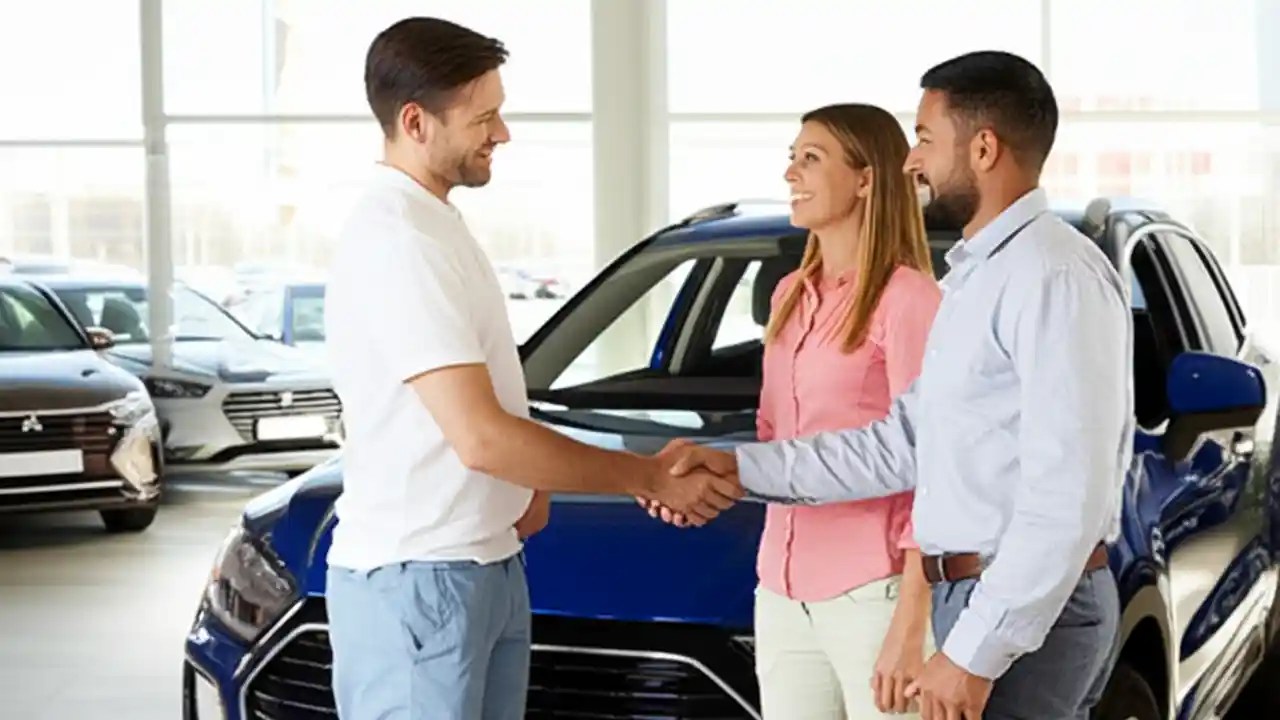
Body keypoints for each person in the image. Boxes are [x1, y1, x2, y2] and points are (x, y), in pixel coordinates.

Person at [656, 50, 1130, 720]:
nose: (912, 162)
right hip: (974, 593)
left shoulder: (1052, 277)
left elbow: (1066, 495)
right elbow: (902, 443)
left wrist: (972, 653)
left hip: (1021, 604)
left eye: (927, 140)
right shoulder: (977, 276)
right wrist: (738, 468)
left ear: (985, 149)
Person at [323, 17, 739, 720]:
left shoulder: (435, 224)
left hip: (480, 567)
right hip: (422, 583)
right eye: (484, 117)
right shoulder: (399, 240)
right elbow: (481, 438)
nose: (502, 133)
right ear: (416, 122)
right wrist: (642, 475)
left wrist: (522, 494)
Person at [740, 103, 942, 718]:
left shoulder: (910, 300)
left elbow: (935, 466)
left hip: (873, 598)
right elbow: (775, 441)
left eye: (811, 158)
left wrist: (912, 622)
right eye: (791, 157)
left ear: (865, 178)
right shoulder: (787, 297)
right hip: (780, 593)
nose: (790, 174)